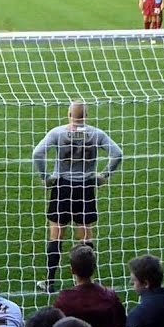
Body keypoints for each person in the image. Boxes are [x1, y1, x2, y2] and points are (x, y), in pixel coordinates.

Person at [32, 100, 123, 293]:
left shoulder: (57, 132)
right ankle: (84, 282)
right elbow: (117, 154)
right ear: (86, 115)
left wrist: (45, 178)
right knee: (85, 235)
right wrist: (103, 176)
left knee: (56, 235)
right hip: (86, 188)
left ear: (69, 114)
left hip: (62, 187)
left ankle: (49, 281)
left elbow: (37, 154)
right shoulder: (96, 134)